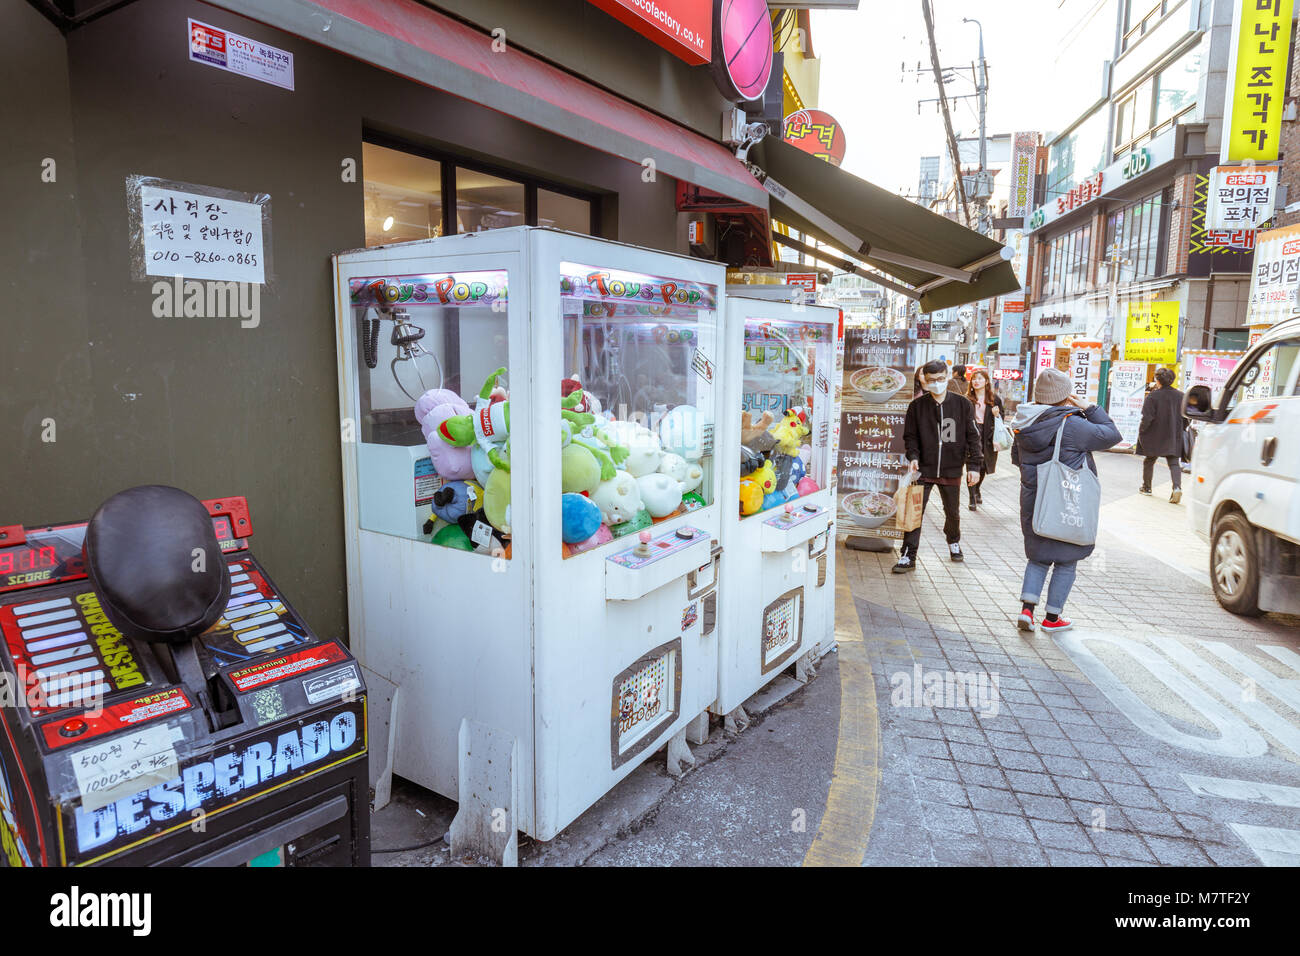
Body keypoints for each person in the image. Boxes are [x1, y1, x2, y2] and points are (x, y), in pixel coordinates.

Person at [1010, 367, 1121, 632]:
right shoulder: (1072, 424)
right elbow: (1112, 435)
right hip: (1066, 499)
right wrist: (1091, 408)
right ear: (1065, 396)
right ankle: (1052, 618)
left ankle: (1027, 610)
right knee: (1066, 559)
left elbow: (1017, 459)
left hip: (1034, 499)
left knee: (1038, 558)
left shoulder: (1024, 422)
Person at [894, 360, 983, 573]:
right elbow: (910, 437)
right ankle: (908, 555)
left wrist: (974, 466)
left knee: (952, 512)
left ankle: (953, 541)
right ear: (925, 380)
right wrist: (913, 456)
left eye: (941, 379)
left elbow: (973, 437)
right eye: (932, 380)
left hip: (952, 467)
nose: (936, 384)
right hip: (923, 469)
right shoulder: (917, 406)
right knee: (914, 512)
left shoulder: (962, 404)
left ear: (947, 377)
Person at [1136, 367, 1186, 503]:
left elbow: (1147, 418)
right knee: (1174, 462)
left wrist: (1142, 431)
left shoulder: (1152, 396)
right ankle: (1176, 487)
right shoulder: (1181, 396)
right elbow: (1186, 417)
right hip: (1173, 434)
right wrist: (1182, 429)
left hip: (1155, 434)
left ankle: (1147, 488)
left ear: (1158, 380)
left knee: (1150, 460)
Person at [964, 368, 1005, 511]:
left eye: (980, 378)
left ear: (986, 381)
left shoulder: (994, 399)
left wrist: (997, 415)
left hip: (988, 435)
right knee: (971, 465)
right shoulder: (967, 399)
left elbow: (1001, 420)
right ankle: (971, 498)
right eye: (974, 379)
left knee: (983, 466)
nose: (976, 381)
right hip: (970, 435)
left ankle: (977, 489)